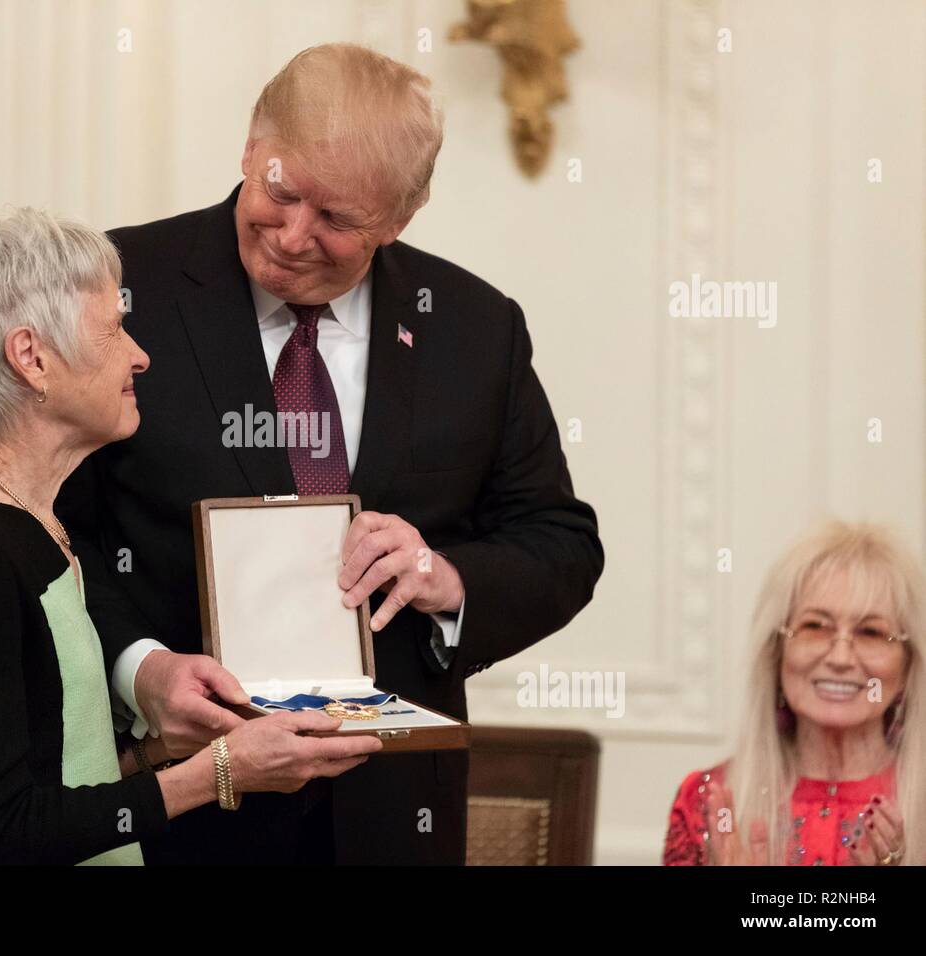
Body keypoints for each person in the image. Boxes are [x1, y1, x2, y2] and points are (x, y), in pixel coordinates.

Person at [55, 43, 604, 865]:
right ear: (250, 146)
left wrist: (444, 578)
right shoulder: (118, 289)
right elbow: (44, 527)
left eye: (340, 220)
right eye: (281, 190)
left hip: (392, 818)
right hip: (181, 807)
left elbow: (560, 544)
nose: (292, 235)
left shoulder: (473, 326)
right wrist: (141, 670)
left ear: (400, 218)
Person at [0, 206, 381, 864]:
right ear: (32, 357)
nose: (139, 356)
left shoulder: (20, 518)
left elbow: (54, 774)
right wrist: (220, 771)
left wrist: (166, 743)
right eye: (113, 331)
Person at [663, 520, 924, 866]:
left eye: (871, 632)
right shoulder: (707, 801)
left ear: (908, 665)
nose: (840, 657)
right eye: (814, 626)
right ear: (776, 651)